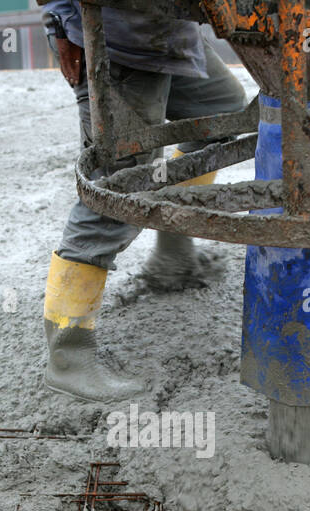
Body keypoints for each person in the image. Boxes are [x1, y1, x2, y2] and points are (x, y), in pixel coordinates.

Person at [41, 1, 247, 402]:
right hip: (115, 39)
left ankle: (174, 255)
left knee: (222, 114)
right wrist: (57, 24)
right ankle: (68, 357)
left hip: (164, 31)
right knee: (117, 190)